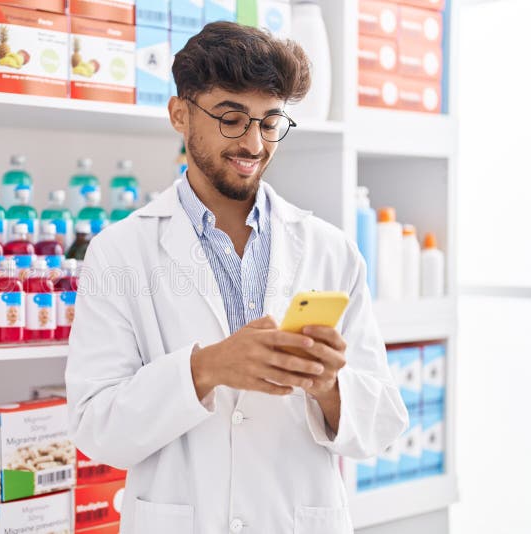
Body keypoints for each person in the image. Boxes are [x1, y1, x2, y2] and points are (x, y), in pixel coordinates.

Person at [65, 22, 408, 534]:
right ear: (180, 115)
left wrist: (329, 387)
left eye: (270, 123)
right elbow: (96, 428)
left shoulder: (330, 250)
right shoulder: (118, 253)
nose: (253, 142)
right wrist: (205, 369)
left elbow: (382, 425)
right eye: (231, 118)